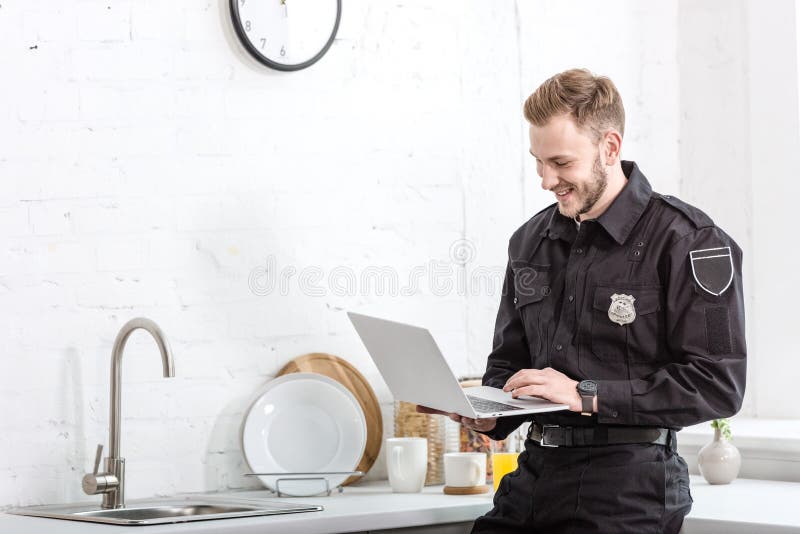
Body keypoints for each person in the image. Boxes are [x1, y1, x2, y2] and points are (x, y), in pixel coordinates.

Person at [419, 68, 746, 533]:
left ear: (609, 148)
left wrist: (584, 395)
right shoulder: (529, 241)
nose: (546, 179)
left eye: (561, 163)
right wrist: (485, 413)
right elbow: (508, 363)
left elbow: (719, 384)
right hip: (532, 478)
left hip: (629, 488)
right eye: (537, 161)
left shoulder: (689, 240)